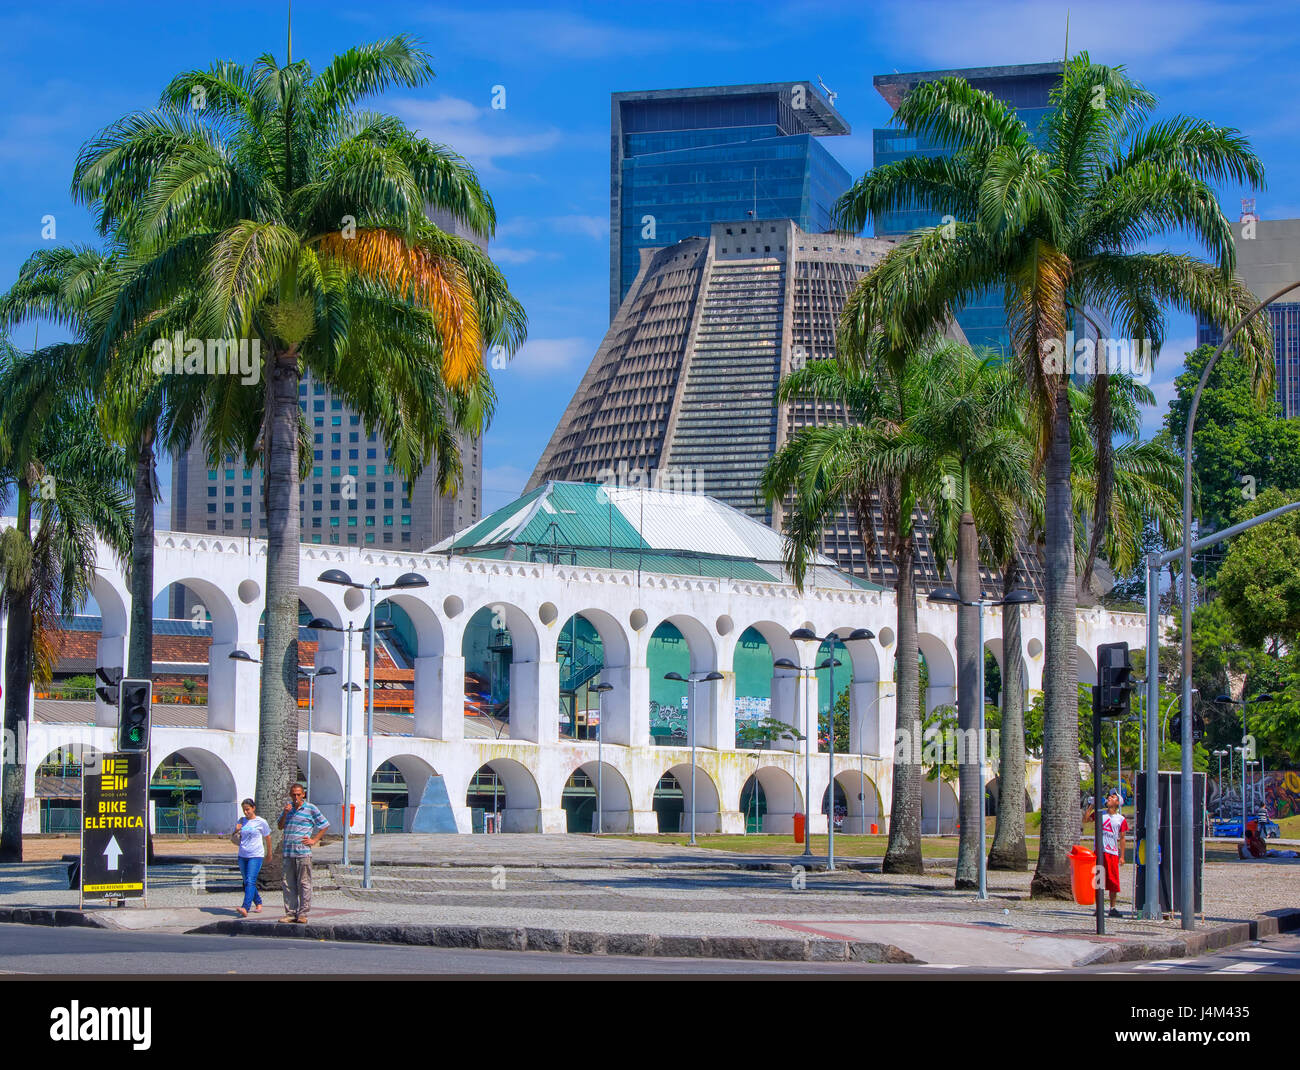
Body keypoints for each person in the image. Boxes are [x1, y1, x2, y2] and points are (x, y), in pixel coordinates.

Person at [277, 783, 329, 924]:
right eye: (293, 794)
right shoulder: (288, 809)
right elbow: (280, 826)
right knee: (288, 883)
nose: (296, 797)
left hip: (303, 852)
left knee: (304, 883)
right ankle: (290, 913)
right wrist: (285, 813)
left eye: (298, 794)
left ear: (303, 794)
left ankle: (303, 913)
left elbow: (324, 824)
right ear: (290, 794)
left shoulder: (310, 808)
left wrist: (314, 840)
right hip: (288, 852)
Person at [231, 798, 271, 918]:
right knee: (246, 881)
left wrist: (269, 854)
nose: (246, 812)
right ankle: (258, 902)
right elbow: (235, 837)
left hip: (256, 855)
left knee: (250, 880)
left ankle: (245, 907)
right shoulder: (241, 821)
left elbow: (267, 837)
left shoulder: (261, 822)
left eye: (248, 809)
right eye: (244, 810)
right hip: (243, 855)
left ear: (253, 808)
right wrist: (236, 830)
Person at [1099, 792, 1128, 919]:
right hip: (1099, 850)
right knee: (1098, 879)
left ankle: (1112, 907)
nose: (1110, 798)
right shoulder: (1101, 814)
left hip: (1112, 852)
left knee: (1113, 881)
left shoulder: (1121, 819)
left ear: (1117, 803)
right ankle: (1098, 907)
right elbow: (1086, 819)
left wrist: (1122, 856)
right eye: (1109, 796)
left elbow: (1122, 838)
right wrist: (1091, 806)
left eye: (1113, 797)